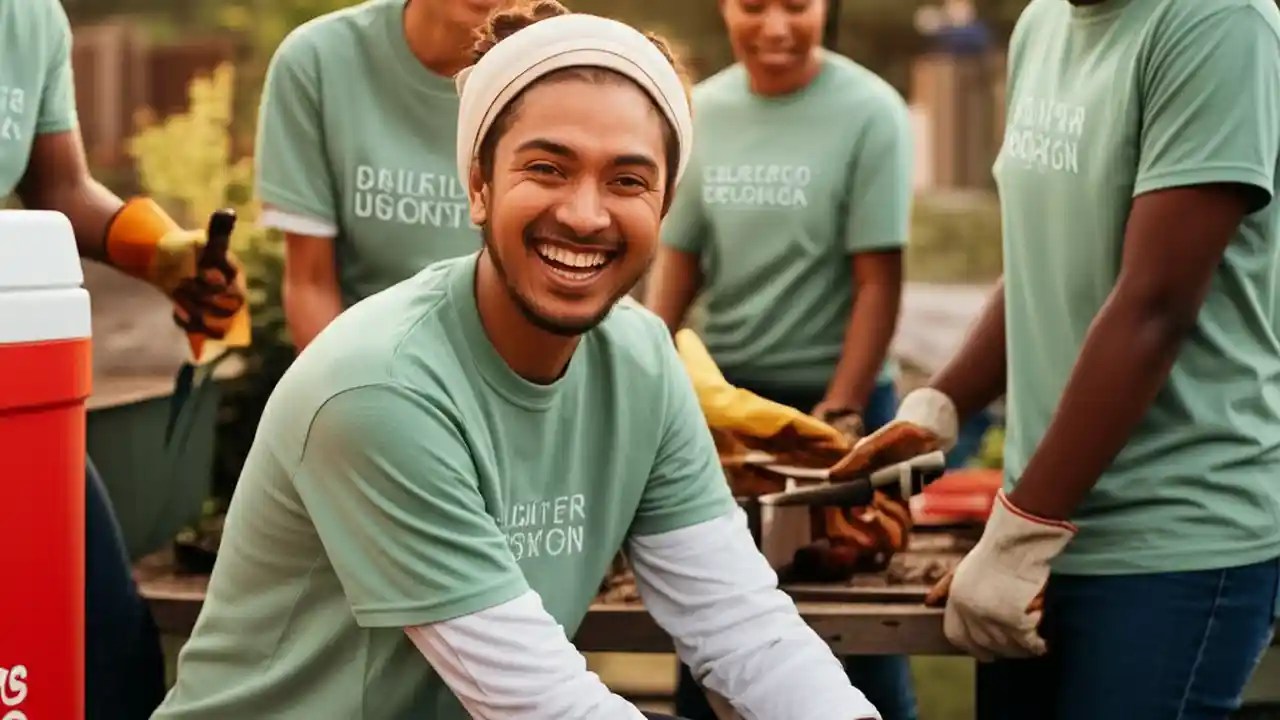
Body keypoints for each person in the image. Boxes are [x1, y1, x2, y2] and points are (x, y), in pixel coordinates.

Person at [154, 3, 882, 719]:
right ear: (478, 185)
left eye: (628, 180)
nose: (585, 214)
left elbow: (744, 626)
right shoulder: (378, 390)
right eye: (547, 168)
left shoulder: (643, 363)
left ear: (663, 208)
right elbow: (537, 702)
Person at [865, 0, 1280, 717]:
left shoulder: (1217, 22)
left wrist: (1022, 532)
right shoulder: (1042, 25)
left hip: (1172, 540)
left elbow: (1155, 306)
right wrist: (941, 404)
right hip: (1042, 530)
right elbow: (1043, 258)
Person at [641, 0, 918, 716]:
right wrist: (636, 367)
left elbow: (877, 281)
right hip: (727, 411)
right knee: (712, 639)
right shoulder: (701, 110)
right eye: (752, 5)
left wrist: (844, 410)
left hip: (839, 409)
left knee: (857, 641)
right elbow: (680, 262)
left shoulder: (871, 111)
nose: (774, 27)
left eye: (796, 5)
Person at [1, 1, 247, 718]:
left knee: (105, 642)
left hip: (13, 385)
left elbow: (58, 186)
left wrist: (165, 255)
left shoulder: (32, 17)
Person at [254, 0, 510, 351]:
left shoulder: (562, 70)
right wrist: (346, 399)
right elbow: (311, 283)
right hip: (368, 368)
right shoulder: (319, 61)